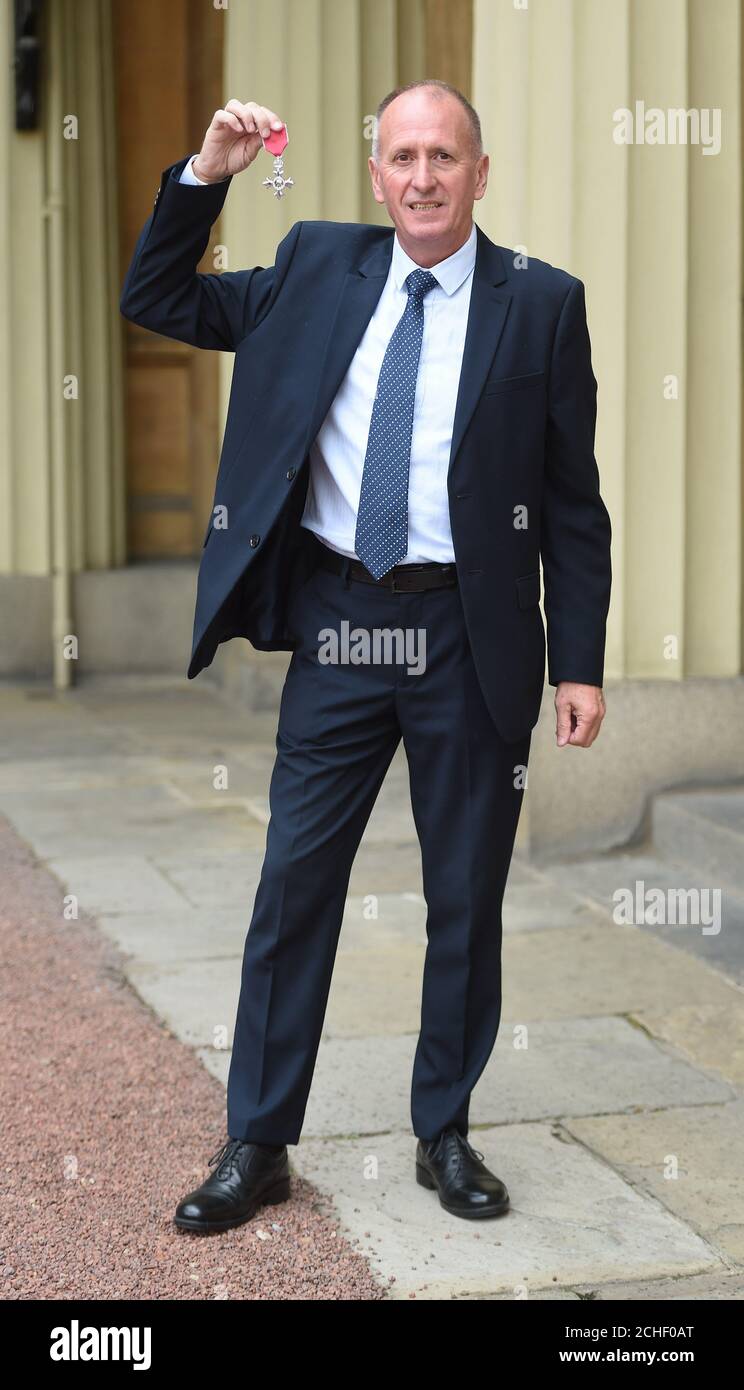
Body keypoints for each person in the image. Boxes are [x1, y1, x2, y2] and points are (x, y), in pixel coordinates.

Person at [120, 80, 611, 1232]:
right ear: (377, 172)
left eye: (446, 156)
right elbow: (159, 297)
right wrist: (205, 175)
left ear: (480, 174)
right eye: (404, 157)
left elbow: (573, 504)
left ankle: (445, 1131)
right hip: (343, 622)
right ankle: (259, 1141)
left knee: (464, 896)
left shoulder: (542, 304)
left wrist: (578, 660)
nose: (424, 177)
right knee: (294, 883)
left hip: (467, 631)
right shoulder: (315, 267)